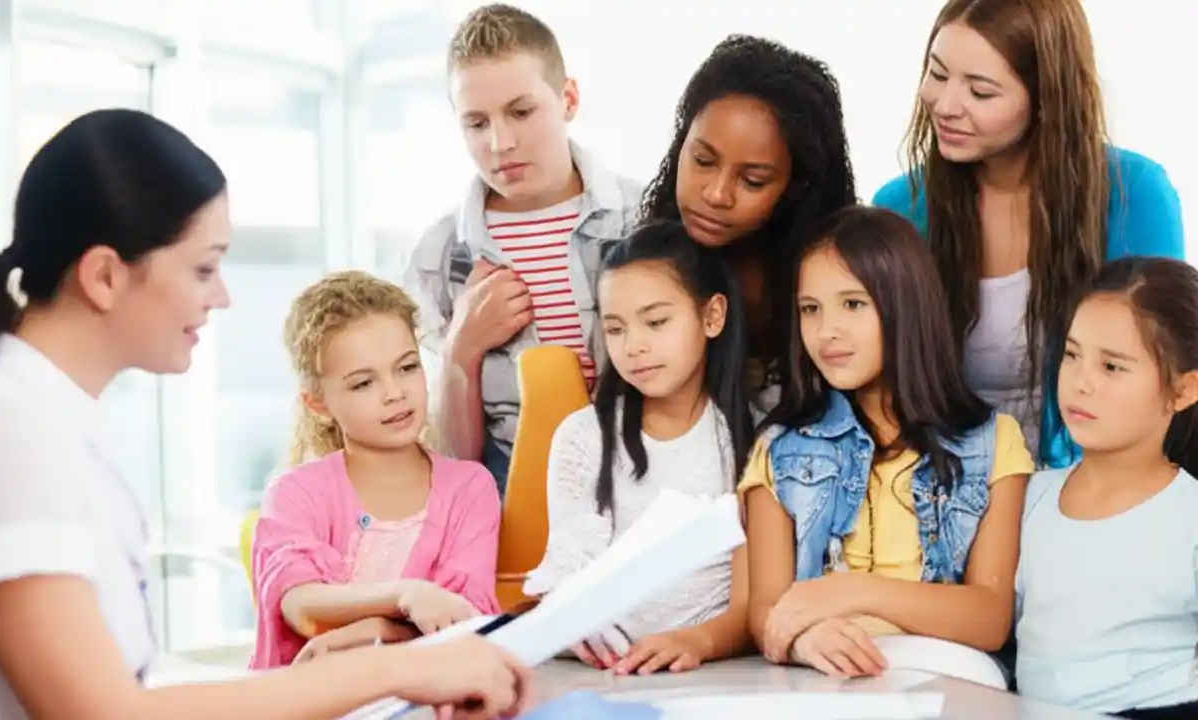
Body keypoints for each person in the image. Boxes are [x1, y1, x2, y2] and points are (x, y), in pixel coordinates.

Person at [0, 109, 529, 719]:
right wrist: (400, 667)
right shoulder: (0, 430)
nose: (223, 295)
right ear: (105, 276)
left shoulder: (46, 419)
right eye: (204, 268)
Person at [873, 0, 1186, 466]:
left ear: (1046, 100)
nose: (946, 104)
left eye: (980, 92)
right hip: (941, 484)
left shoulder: (1134, 196)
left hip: (1094, 487)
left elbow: (1163, 377)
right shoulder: (899, 209)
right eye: (937, 74)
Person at [742, 206, 1033, 678]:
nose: (826, 330)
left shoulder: (992, 442)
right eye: (810, 309)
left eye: (852, 304)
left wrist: (853, 591)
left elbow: (989, 619)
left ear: (906, 305)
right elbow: (765, 609)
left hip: (946, 673)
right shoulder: (780, 448)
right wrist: (803, 639)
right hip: (821, 675)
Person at [405, 3, 642, 491]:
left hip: (638, 483)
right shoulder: (440, 256)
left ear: (568, 99)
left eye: (521, 111)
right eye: (476, 123)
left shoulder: (644, 219)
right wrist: (459, 353)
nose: (500, 142)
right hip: (509, 502)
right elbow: (452, 465)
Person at [523, 221, 753, 675]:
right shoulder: (583, 436)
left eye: (656, 322)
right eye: (616, 329)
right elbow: (565, 575)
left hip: (715, 673)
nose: (635, 347)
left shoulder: (749, 441)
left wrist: (697, 641)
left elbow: (751, 605)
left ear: (712, 317)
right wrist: (570, 623)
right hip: (604, 675)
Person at [250, 271, 502, 669]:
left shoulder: (471, 487)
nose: (394, 393)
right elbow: (300, 602)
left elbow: (465, 614)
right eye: (364, 383)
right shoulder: (296, 491)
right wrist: (406, 596)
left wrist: (374, 633)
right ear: (319, 403)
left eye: (406, 368)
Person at [1015, 257, 1198, 719]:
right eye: (1072, 355)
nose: (1081, 383)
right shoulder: (1027, 496)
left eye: (1113, 367)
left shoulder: (1189, 517)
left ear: (1184, 390)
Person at [638, 34, 856, 412]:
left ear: (796, 186)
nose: (717, 194)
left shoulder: (838, 275)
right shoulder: (639, 262)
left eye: (753, 181)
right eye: (703, 161)